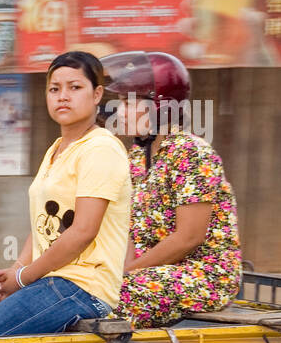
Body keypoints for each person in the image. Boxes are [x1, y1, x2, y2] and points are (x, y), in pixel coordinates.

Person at [0, 51, 131, 338]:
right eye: (55, 89)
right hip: (50, 280)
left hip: (84, 287)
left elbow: (83, 231)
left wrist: (22, 278)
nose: (63, 96)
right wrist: (15, 270)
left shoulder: (101, 149)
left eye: (75, 87)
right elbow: (43, 222)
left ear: (96, 94)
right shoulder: (57, 147)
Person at [100, 51, 242, 328]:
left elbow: (188, 237)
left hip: (203, 275)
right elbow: (128, 230)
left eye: (129, 104)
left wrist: (126, 274)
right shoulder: (136, 158)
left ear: (160, 106)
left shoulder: (191, 153)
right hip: (152, 272)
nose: (120, 112)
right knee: (90, 289)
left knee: (114, 296)